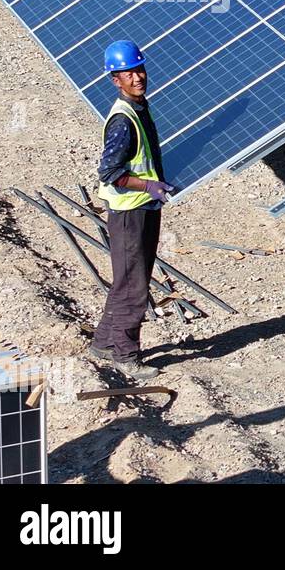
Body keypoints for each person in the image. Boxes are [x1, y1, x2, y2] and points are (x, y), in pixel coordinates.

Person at [91, 40, 175, 381]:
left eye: (139, 70)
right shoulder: (122, 121)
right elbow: (109, 171)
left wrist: (157, 183)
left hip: (144, 206)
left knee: (126, 280)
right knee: (135, 287)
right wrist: (148, 185)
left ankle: (102, 343)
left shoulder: (139, 106)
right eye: (128, 73)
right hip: (129, 212)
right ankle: (127, 355)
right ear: (116, 80)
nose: (138, 77)